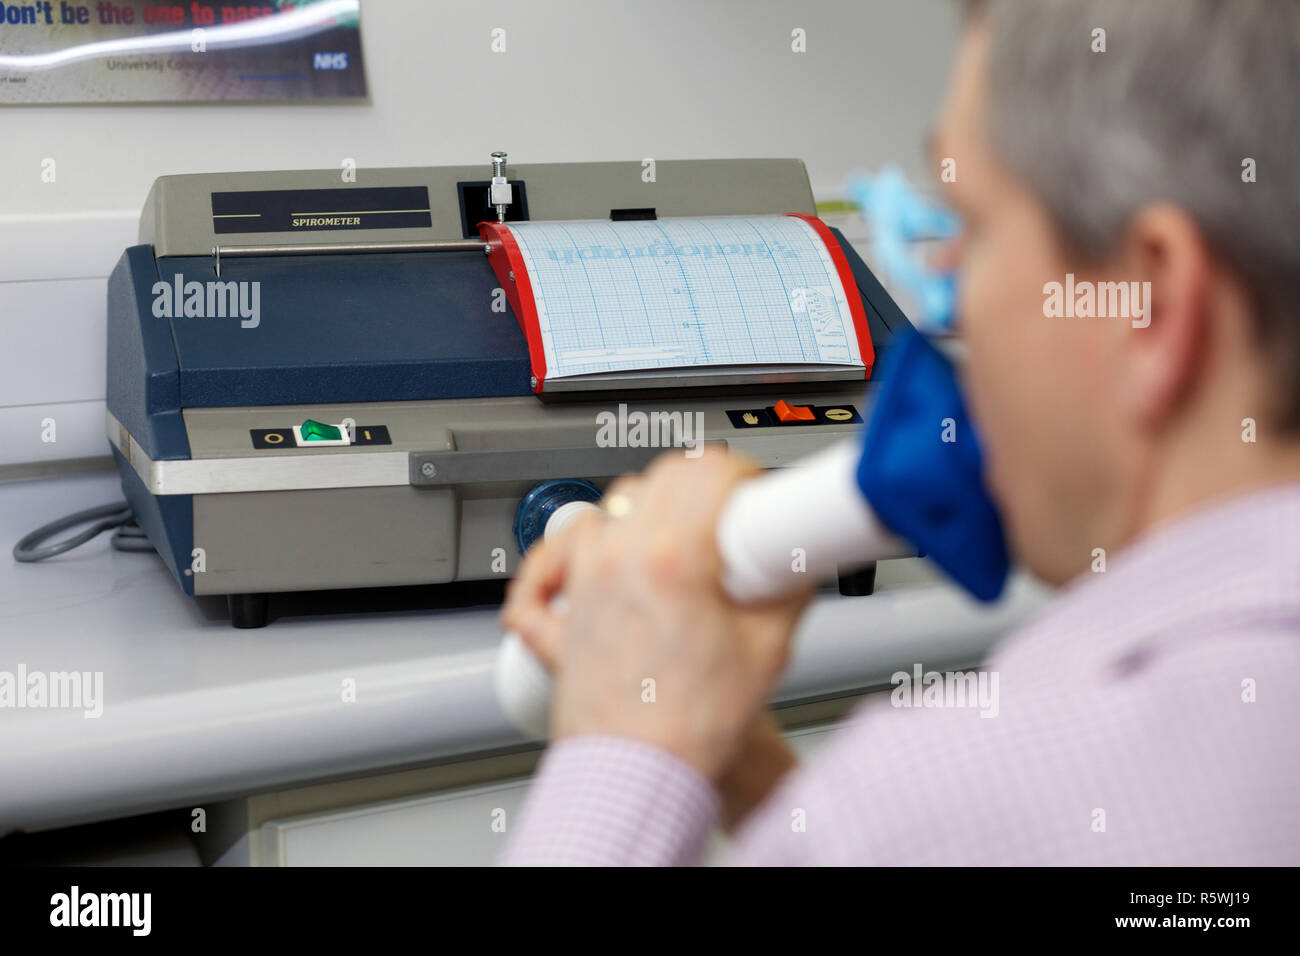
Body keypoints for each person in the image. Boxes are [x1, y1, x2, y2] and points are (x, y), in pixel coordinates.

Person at [498, 0, 1300, 865]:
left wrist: (627, 742)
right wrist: (748, 773)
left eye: (969, 226)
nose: (946, 296)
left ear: (1151, 304)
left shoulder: (941, 794)